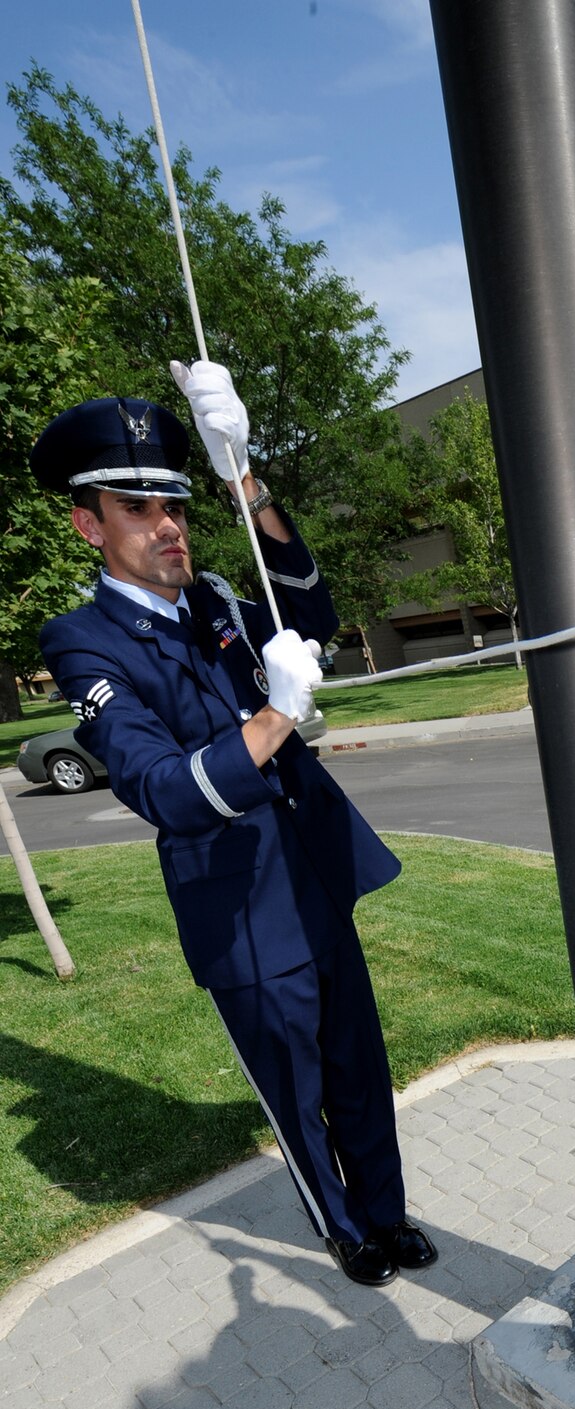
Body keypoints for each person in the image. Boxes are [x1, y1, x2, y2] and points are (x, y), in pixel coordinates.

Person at [31, 369, 436, 1287]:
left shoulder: (215, 597)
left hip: (313, 877)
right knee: (296, 1094)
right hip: (243, 913)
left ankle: (388, 1210)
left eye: (174, 502)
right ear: (89, 525)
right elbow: (162, 789)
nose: (168, 524)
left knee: (360, 1072)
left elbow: (314, 612)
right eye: (137, 507)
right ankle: (344, 1229)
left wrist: (244, 477)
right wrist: (273, 719)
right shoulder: (82, 641)